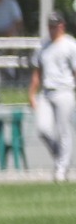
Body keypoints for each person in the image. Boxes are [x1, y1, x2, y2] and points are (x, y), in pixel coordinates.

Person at [31, 11, 76, 182]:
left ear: (62, 26)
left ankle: (61, 169)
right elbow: (37, 71)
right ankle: (60, 157)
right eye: (50, 26)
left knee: (63, 130)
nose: (52, 29)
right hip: (46, 91)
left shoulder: (70, 45)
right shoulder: (43, 46)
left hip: (64, 90)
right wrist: (32, 93)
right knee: (43, 129)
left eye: (54, 26)